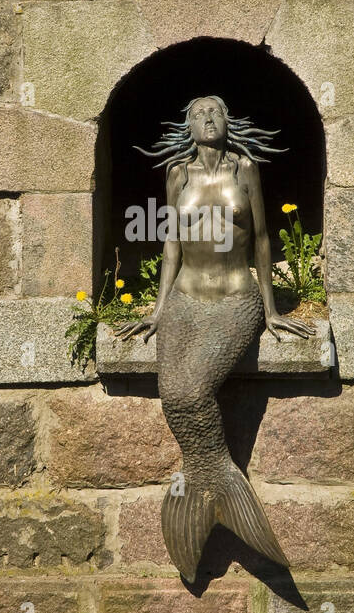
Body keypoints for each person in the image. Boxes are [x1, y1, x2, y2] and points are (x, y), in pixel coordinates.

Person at [116, 95, 314, 583]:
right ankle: (212, 485)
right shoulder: (177, 174)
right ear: (188, 126)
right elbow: (170, 243)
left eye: (216, 112)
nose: (208, 119)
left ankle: (215, 479)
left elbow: (264, 238)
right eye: (199, 114)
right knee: (173, 390)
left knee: (191, 389)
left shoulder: (245, 170)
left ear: (228, 123)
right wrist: (159, 309)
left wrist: (271, 310)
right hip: (184, 298)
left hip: (234, 298)